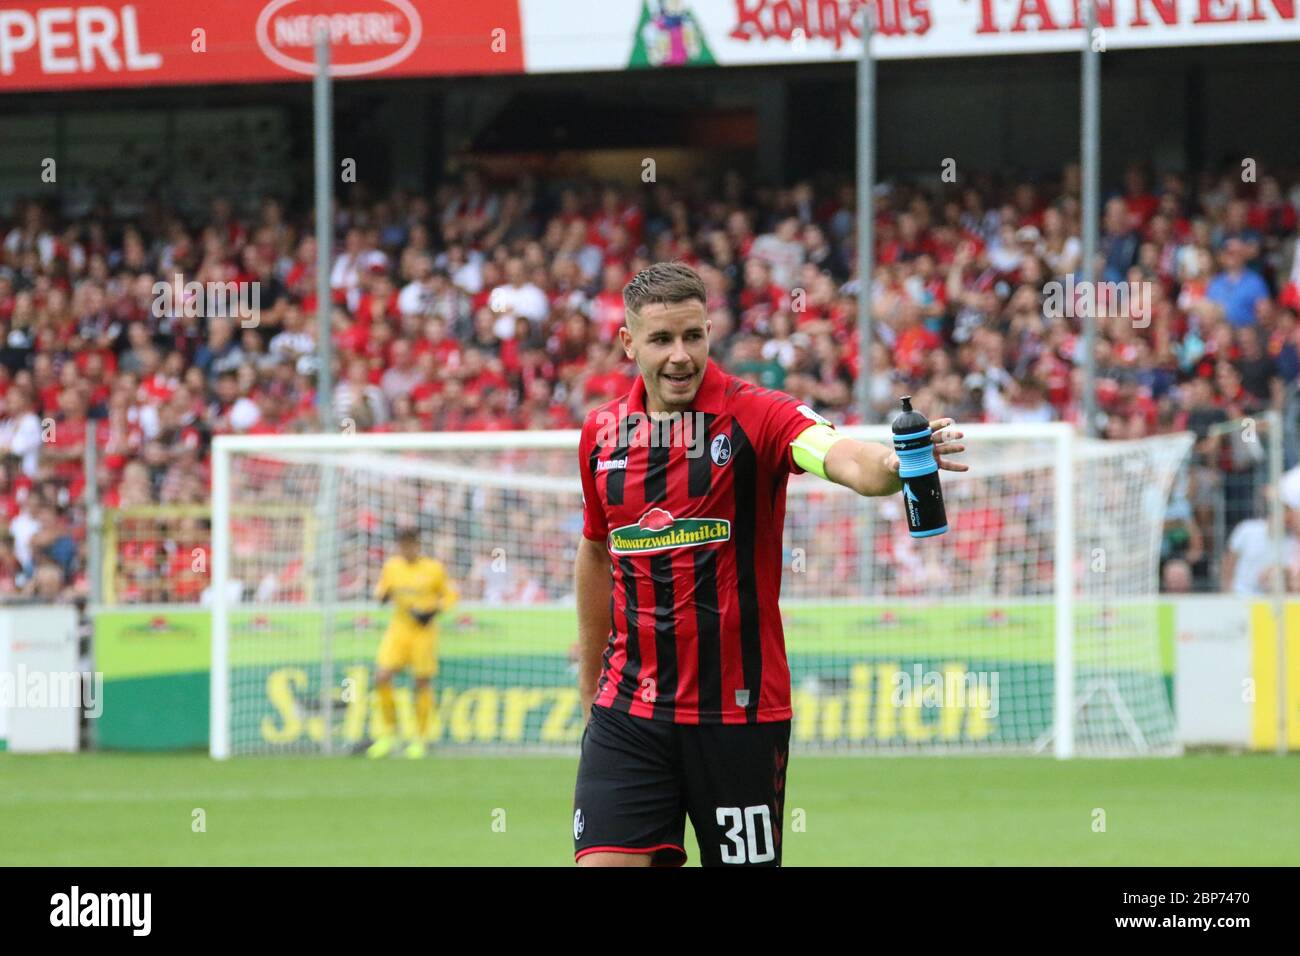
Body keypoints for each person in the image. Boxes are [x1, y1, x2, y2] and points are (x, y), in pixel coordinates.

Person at [572, 263, 968, 866]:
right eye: (660, 340)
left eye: (692, 337)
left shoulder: (758, 415)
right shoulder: (601, 435)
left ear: (709, 331)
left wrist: (892, 467)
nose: (680, 356)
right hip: (629, 711)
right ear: (629, 343)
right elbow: (598, 551)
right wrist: (589, 690)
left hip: (738, 713)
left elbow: (839, 456)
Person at [367, 527, 458, 759]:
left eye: (411, 544)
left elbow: (450, 596)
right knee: (382, 676)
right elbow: (381, 592)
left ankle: (421, 737)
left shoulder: (433, 569)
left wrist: (433, 611)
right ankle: (389, 734)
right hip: (398, 629)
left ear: (418, 545)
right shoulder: (392, 567)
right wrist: (382, 597)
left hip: (423, 632)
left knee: (421, 682)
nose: (406, 549)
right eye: (403, 545)